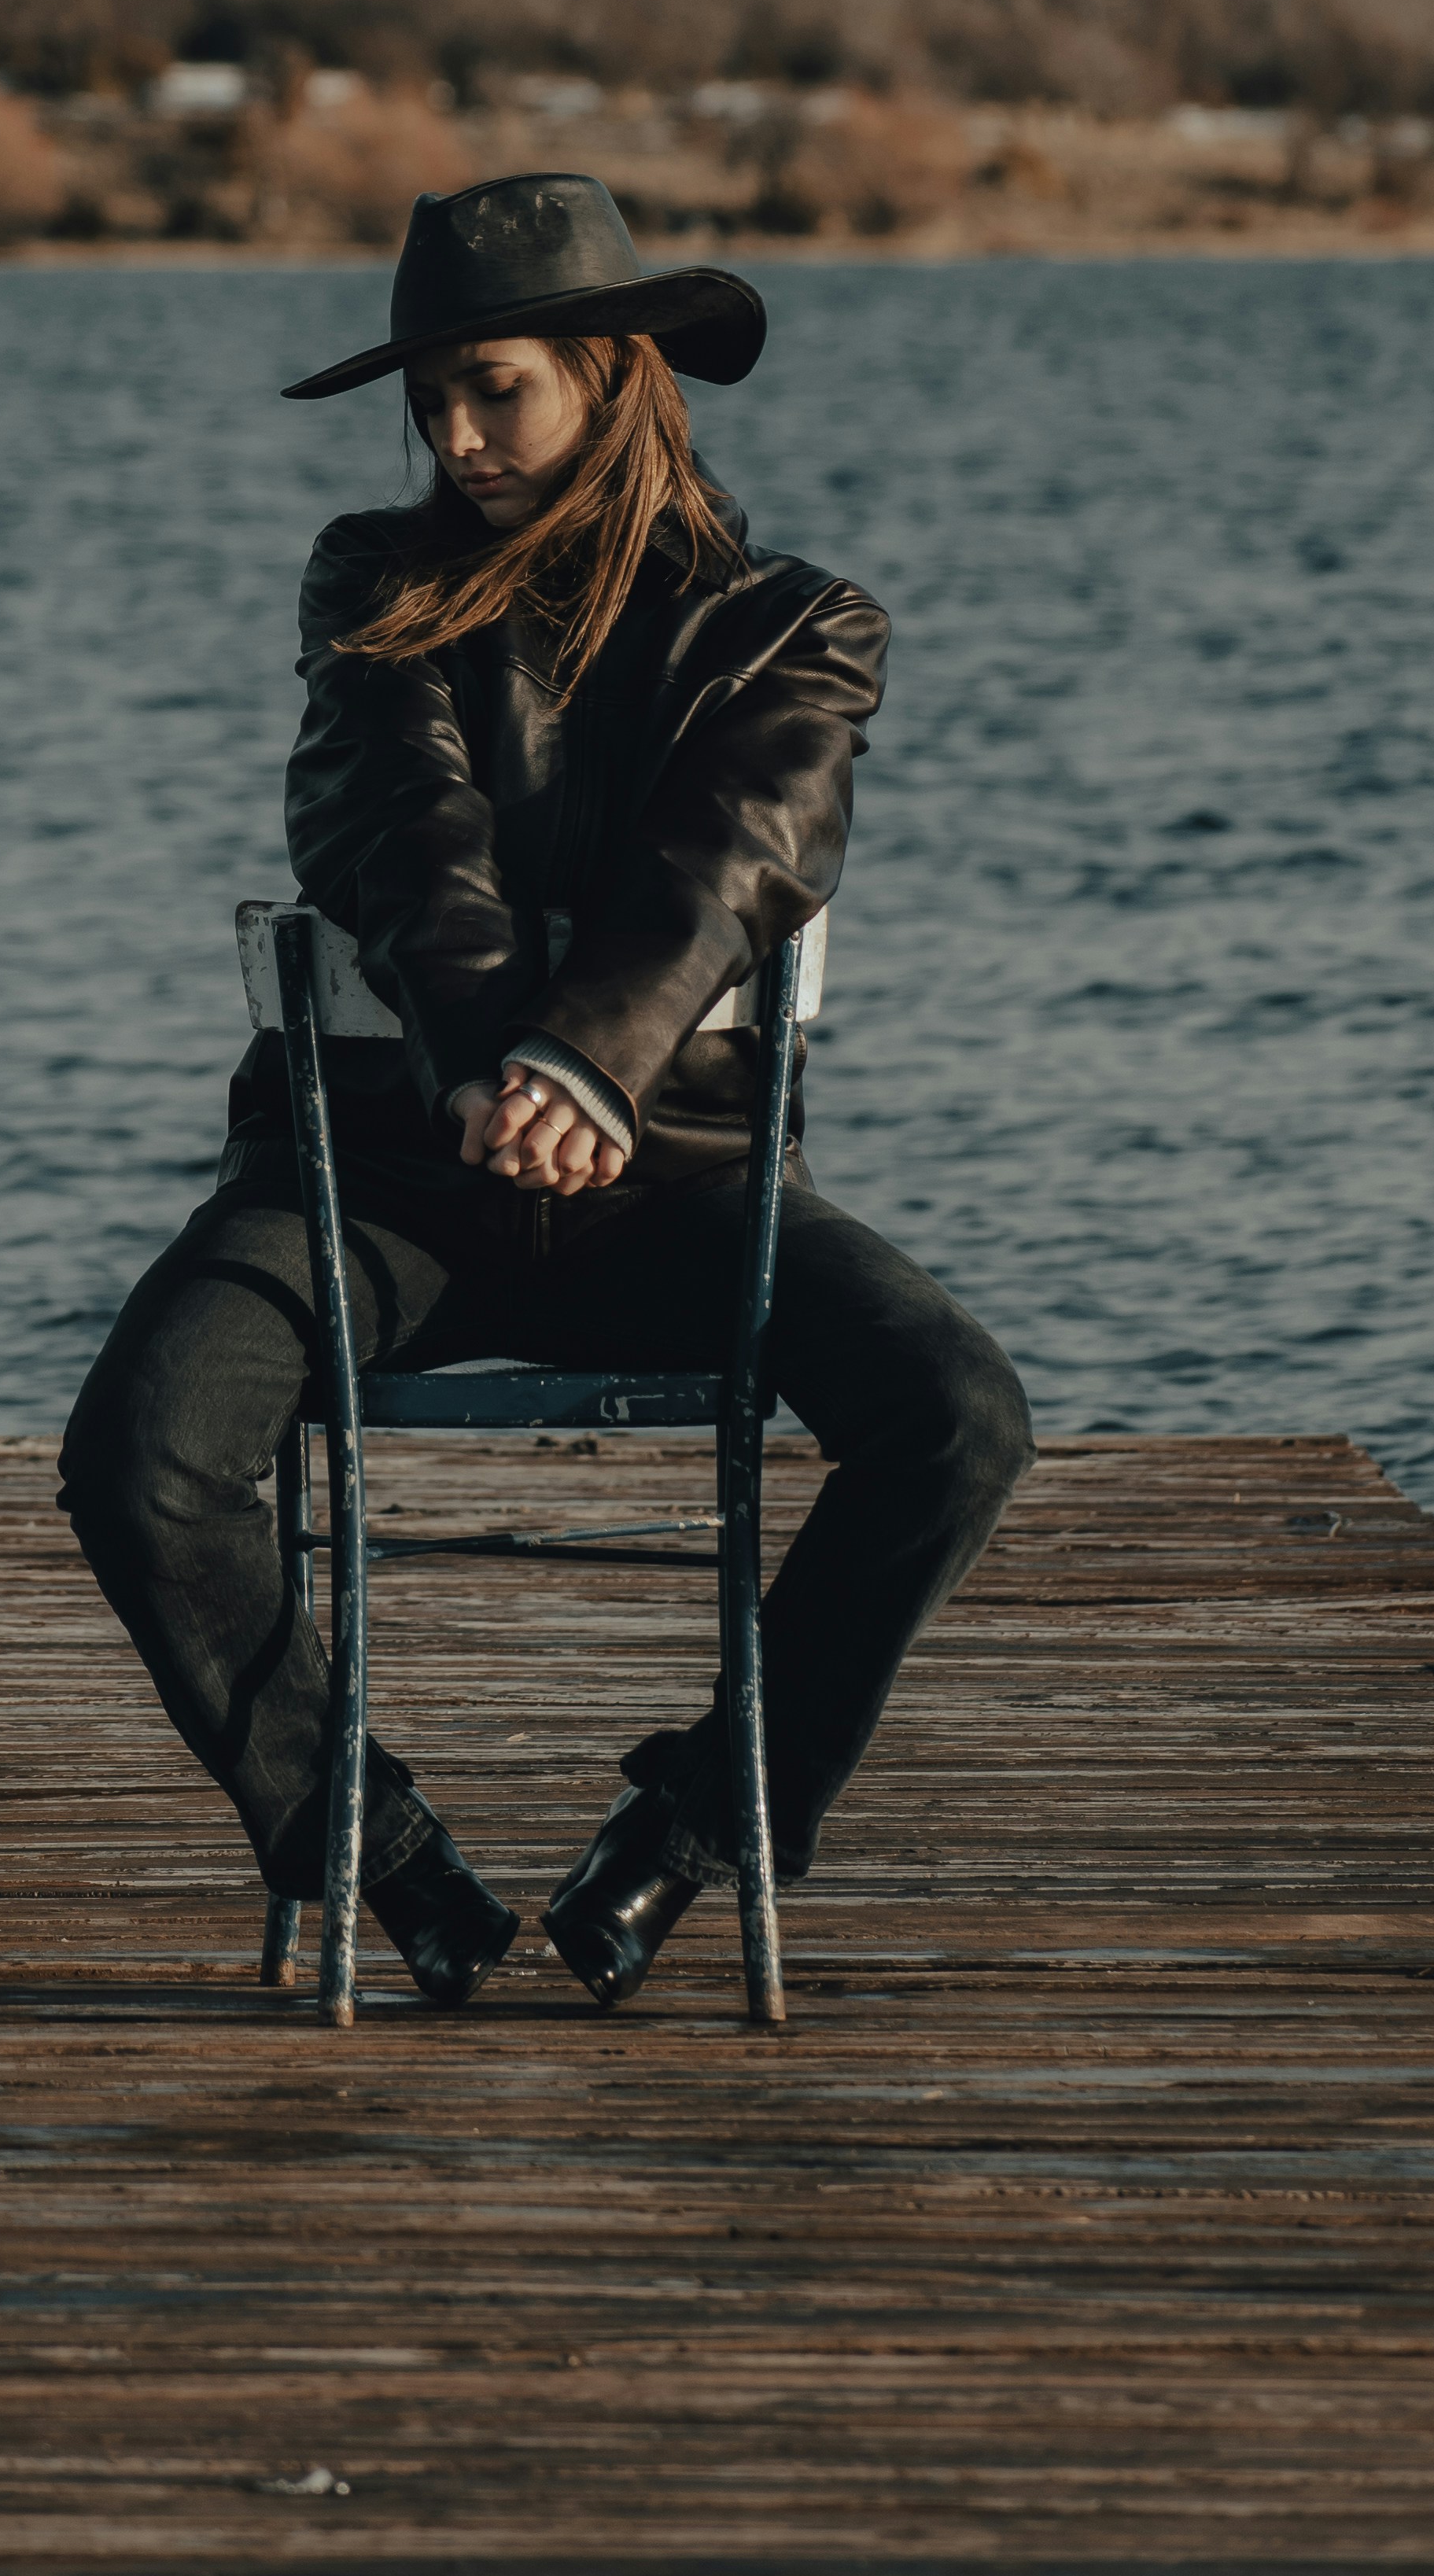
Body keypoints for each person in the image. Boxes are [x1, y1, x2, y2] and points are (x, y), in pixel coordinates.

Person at [58, 171, 1031, 2010]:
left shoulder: (794, 629)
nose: (452, 433)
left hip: (682, 1195)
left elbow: (737, 857)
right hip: (371, 1190)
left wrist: (589, 1065)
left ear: (611, 371)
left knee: (958, 1414)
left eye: (491, 386)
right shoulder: (379, 581)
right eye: (429, 399)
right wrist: (518, 1067)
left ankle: (691, 1840)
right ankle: (374, 1851)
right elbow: (394, 831)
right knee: (134, 1456)